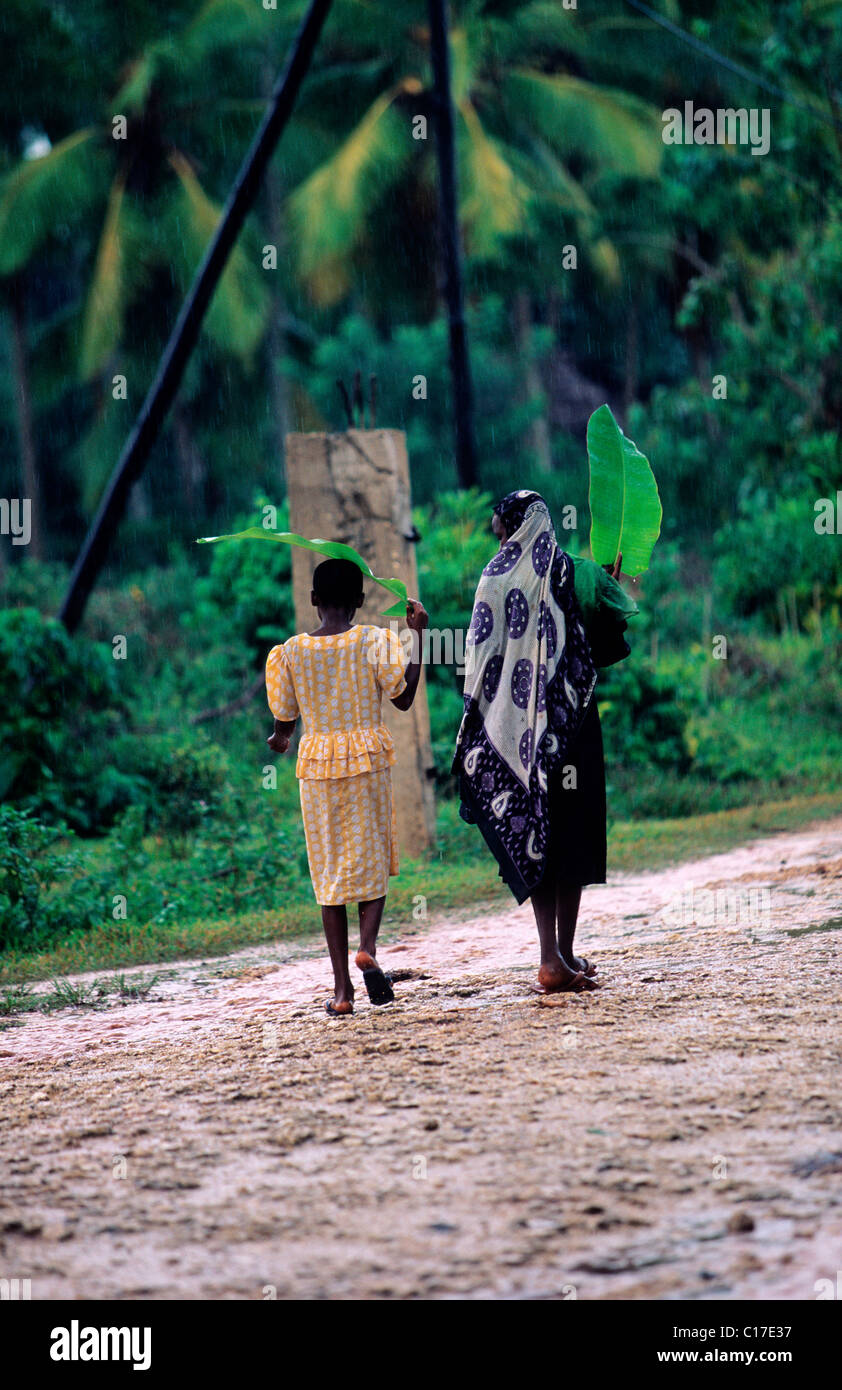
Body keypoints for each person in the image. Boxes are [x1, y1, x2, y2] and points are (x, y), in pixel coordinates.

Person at [451, 490, 636, 995]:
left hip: (517, 738)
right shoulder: (578, 573)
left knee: (538, 833)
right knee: (572, 833)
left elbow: (478, 662)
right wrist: (608, 584)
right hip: (571, 728)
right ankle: (565, 952)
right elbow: (609, 638)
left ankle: (552, 956)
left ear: (508, 528)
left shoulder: (492, 578)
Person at [265, 557, 429, 1017]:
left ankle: (341, 992)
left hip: (317, 770)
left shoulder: (291, 652)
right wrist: (417, 636)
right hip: (367, 762)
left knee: (330, 876)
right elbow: (404, 698)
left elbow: (284, 726)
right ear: (360, 601)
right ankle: (369, 946)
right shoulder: (374, 642)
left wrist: (279, 739)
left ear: (313, 600)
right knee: (371, 859)